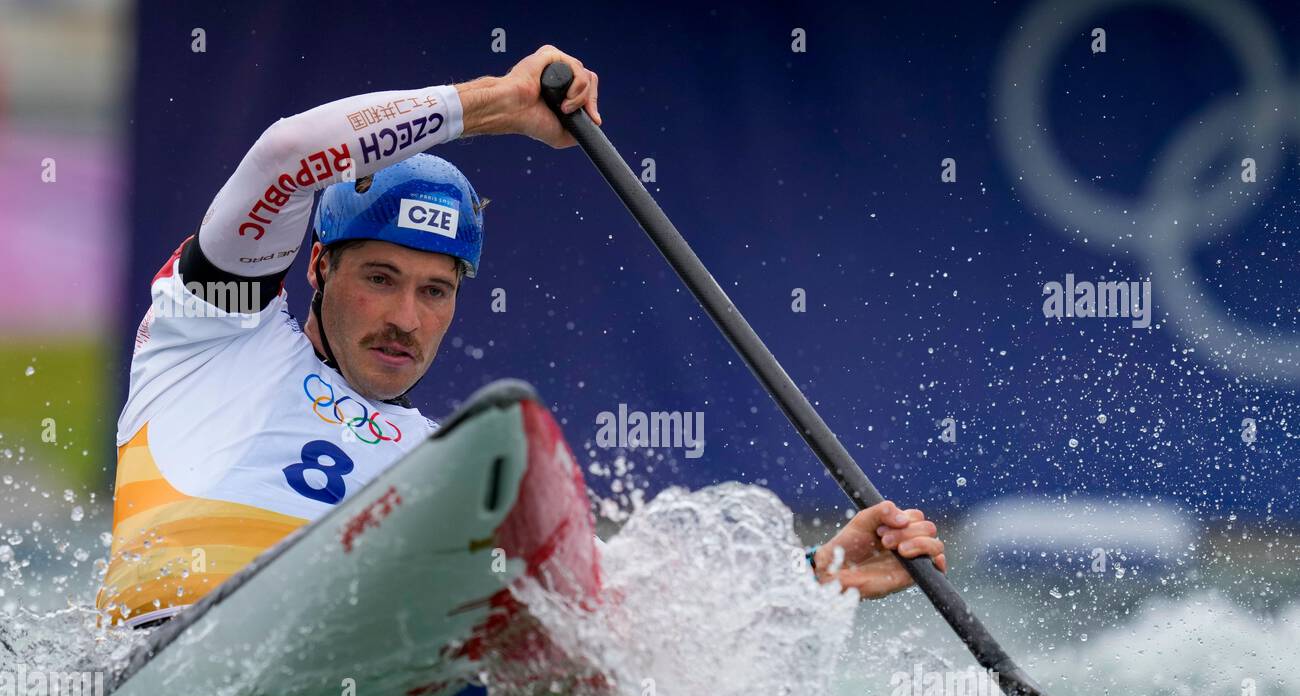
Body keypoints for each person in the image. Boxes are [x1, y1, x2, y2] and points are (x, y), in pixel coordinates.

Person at [95, 45, 947, 630]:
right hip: (149, 664)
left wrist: (818, 576)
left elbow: (598, 631)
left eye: (435, 291)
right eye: (380, 279)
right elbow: (288, 153)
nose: (406, 318)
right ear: (316, 268)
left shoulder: (440, 469)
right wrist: (500, 103)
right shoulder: (210, 331)